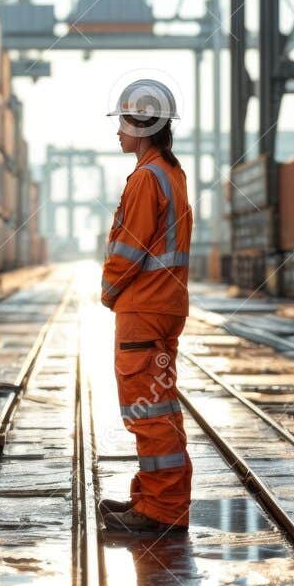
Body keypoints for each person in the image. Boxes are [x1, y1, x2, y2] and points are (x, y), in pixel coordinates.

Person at [98, 80, 194, 536]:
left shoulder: (145, 178)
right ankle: (153, 498)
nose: (117, 131)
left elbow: (129, 248)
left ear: (141, 125)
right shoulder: (170, 172)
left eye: (122, 122)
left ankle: (161, 509)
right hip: (164, 304)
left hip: (144, 306)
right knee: (157, 406)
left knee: (147, 408)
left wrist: (109, 289)